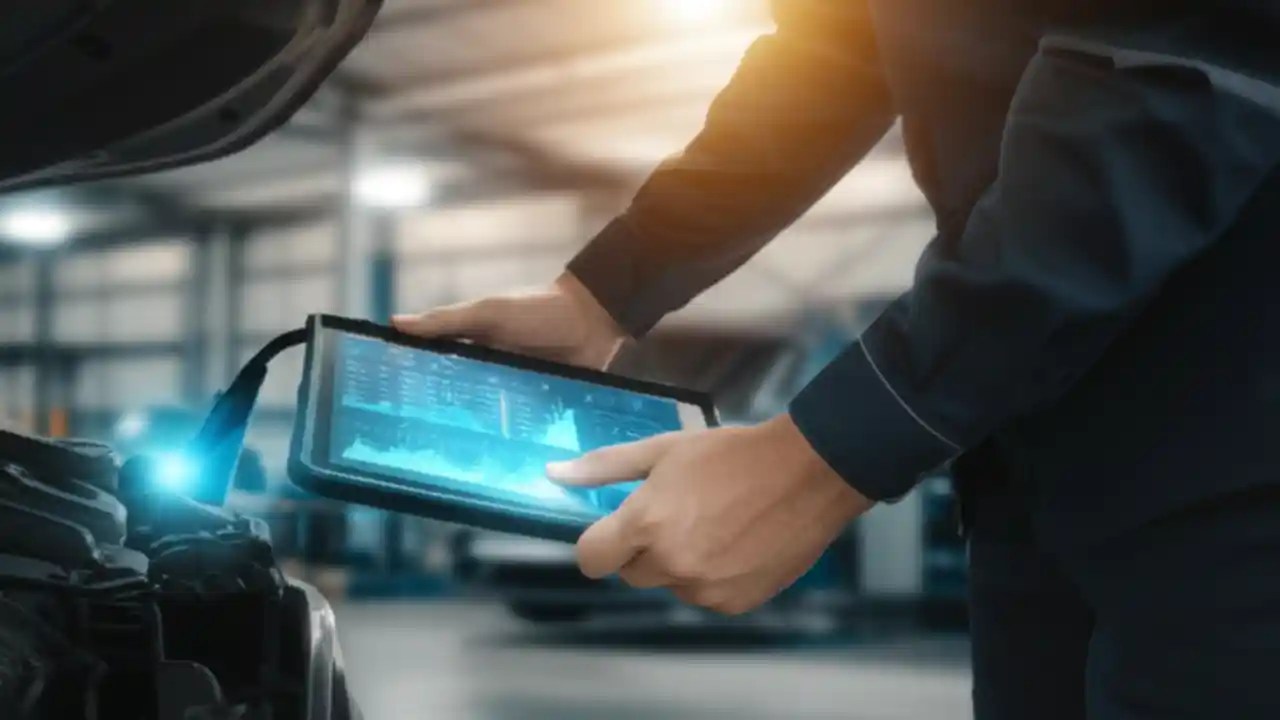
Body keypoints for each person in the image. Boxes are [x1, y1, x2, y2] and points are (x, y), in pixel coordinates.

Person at [394, 1, 1280, 717]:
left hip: (1234, 440)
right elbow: (835, 49)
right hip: (1030, 436)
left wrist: (825, 453)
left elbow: (1184, 78)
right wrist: (604, 293)